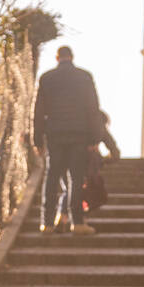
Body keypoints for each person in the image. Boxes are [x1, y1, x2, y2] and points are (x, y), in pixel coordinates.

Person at [32, 45, 104, 236]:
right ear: (72, 57)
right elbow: (93, 108)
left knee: (52, 177)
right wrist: (95, 138)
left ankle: (46, 223)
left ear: (57, 58)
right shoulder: (84, 77)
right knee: (76, 178)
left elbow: (38, 112)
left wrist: (37, 140)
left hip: (55, 134)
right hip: (79, 135)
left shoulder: (46, 78)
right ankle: (77, 222)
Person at [55, 109, 120, 230]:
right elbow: (115, 153)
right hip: (88, 167)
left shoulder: (72, 121)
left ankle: (62, 218)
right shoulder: (99, 126)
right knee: (91, 193)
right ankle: (80, 219)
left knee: (70, 189)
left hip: (65, 161)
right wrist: (103, 159)